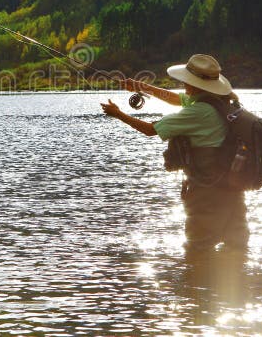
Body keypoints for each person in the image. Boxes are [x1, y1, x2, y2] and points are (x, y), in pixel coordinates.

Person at [100, 54, 248, 254]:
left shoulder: (200, 111)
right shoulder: (221, 101)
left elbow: (151, 129)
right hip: (232, 187)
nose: (183, 83)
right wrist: (140, 87)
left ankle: (195, 281)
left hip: (207, 190)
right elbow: (176, 99)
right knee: (237, 247)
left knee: (197, 247)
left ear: (195, 83)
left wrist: (118, 114)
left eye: (186, 81)